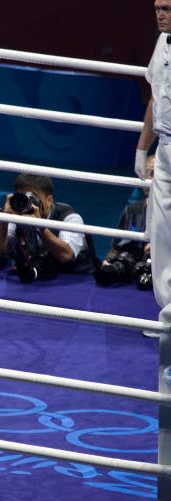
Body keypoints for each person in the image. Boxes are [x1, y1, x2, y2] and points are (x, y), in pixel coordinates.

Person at [0, 173, 98, 282]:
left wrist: (40, 226)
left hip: (77, 280)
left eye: (32, 198)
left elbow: (65, 255)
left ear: (49, 200)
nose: (27, 203)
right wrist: (4, 218)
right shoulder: (18, 216)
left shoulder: (70, 218)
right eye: (23, 198)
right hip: (40, 279)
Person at [135, 0, 171, 308]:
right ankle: (168, 314)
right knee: (159, 234)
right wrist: (141, 148)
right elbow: (154, 99)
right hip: (164, 150)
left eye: (168, 8)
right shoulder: (162, 41)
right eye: (158, 7)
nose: (160, 14)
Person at [95, 155, 153, 290]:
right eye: (146, 173)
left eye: (154, 174)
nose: (149, 179)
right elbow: (116, 248)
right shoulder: (131, 210)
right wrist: (108, 263)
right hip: (132, 277)